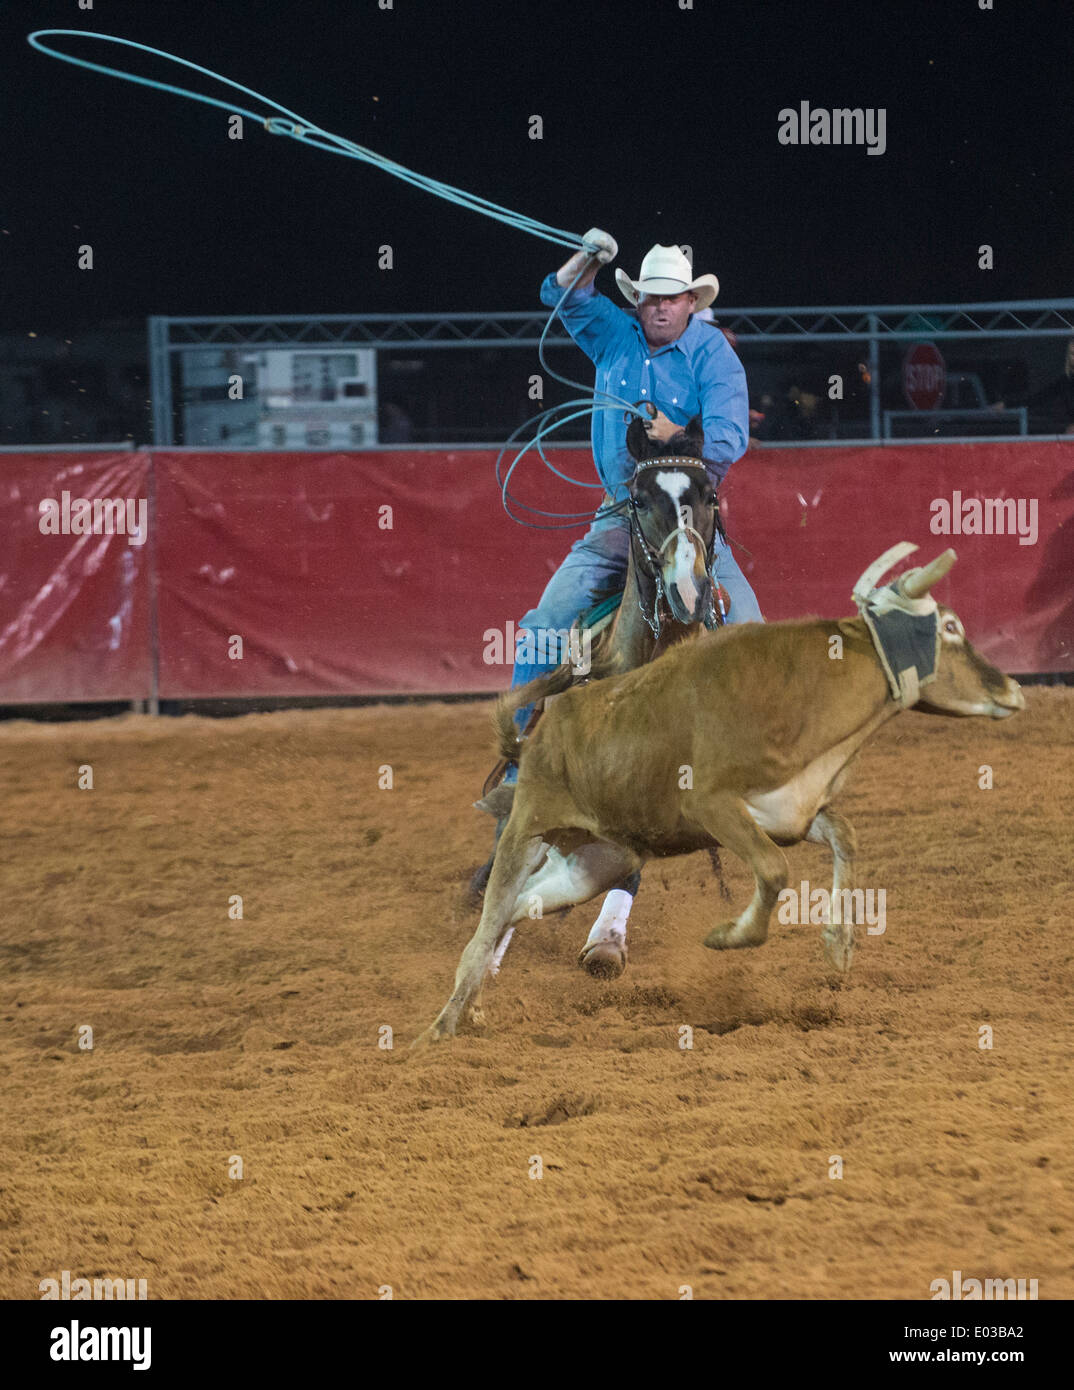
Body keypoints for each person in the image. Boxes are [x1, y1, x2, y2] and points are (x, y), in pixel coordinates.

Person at [502, 234, 763, 783]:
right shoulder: (615, 336)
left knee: (748, 629)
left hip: (687, 518)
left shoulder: (713, 353)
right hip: (622, 512)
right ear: (637, 300)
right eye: (652, 298)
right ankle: (519, 769)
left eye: (672, 298)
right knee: (542, 628)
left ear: (692, 301)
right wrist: (589, 258)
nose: (662, 307)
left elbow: (728, 438)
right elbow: (561, 295)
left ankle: (757, 764)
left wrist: (680, 437)